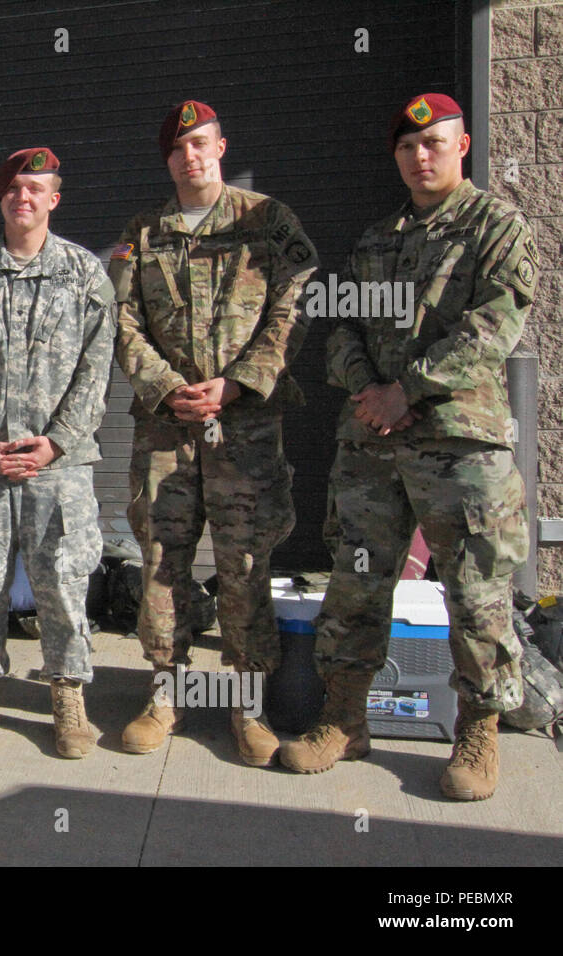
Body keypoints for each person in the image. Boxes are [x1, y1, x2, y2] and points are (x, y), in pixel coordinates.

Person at [281, 94, 539, 800]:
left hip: (460, 445)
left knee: (477, 592)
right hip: (372, 446)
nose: (420, 157)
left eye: (434, 144)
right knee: (357, 581)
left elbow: (495, 327)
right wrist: (366, 385)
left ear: (461, 147)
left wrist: (409, 389)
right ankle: (344, 720)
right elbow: (341, 329)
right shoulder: (375, 241)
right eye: (407, 147)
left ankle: (478, 732)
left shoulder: (496, 227)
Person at [110, 101, 319, 766]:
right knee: (163, 563)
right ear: (167, 160)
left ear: (221, 146)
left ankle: (246, 703)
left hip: (244, 428)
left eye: (199, 143)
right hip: (167, 430)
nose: (189, 156)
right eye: (177, 148)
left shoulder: (268, 221)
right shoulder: (143, 233)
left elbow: (294, 307)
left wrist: (236, 383)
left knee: (244, 564)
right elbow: (122, 322)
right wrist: (168, 387)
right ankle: (165, 693)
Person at [0, 147, 114, 759]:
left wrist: (56, 440)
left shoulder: (86, 274)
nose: (23, 197)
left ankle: (67, 698)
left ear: (54, 198)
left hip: (58, 463)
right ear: (0, 197)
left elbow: (97, 366)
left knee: (61, 577)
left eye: (35, 188)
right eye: (12, 188)